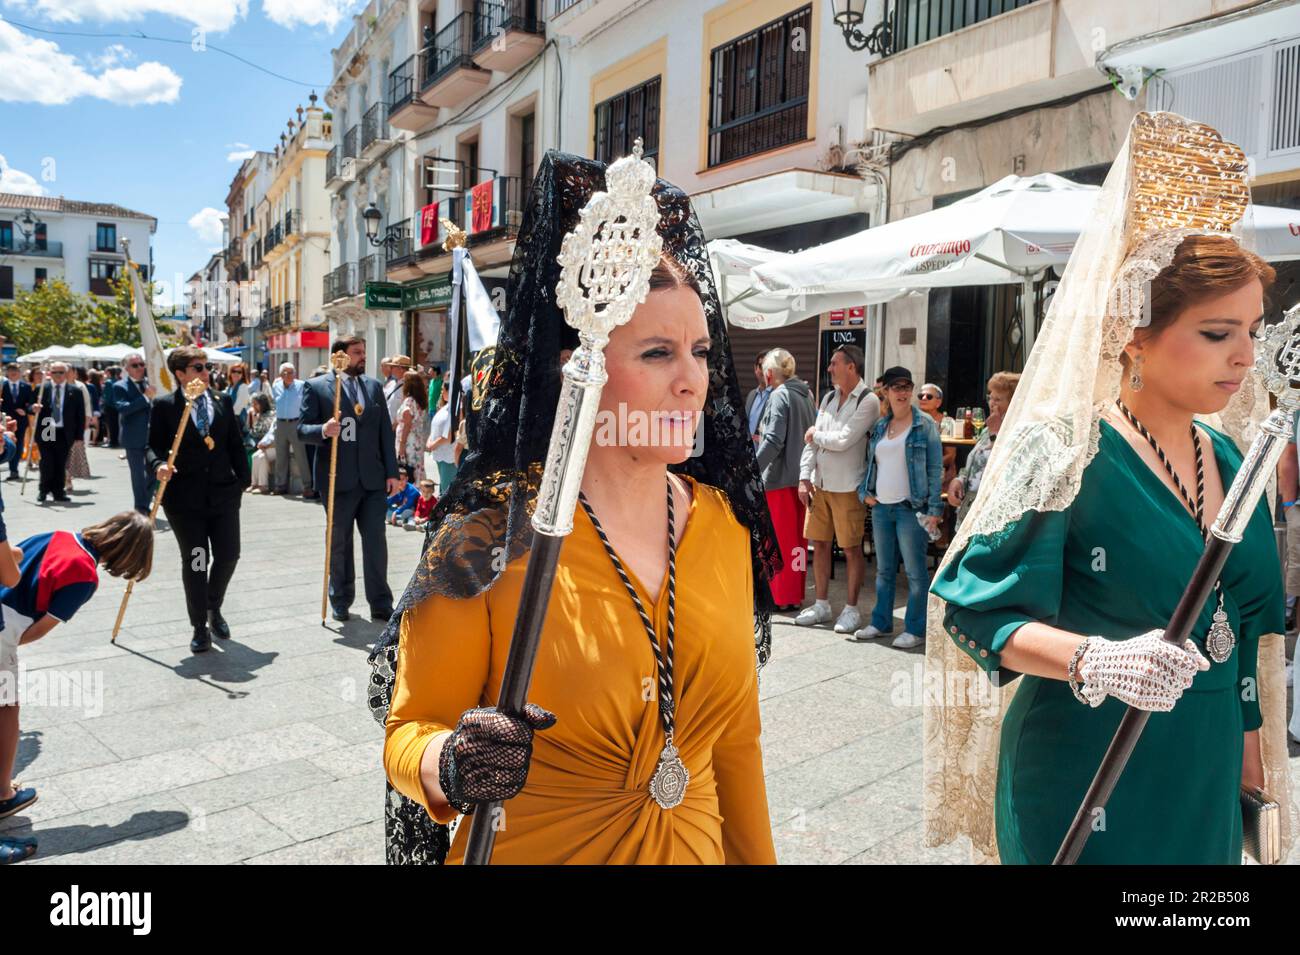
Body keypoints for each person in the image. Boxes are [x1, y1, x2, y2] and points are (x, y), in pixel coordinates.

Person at [374, 149, 781, 865]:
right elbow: (409, 729)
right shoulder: (484, 541)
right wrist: (454, 760)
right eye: (658, 352)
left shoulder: (722, 523)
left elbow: (736, 746)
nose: (693, 381)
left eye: (701, 350)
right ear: (579, 368)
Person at [926, 111, 1294, 865]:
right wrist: (1095, 658)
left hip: (1207, 771)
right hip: (1086, 766)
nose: (1245, 357)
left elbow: (1245, 631)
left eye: (1253, 331)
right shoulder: (1064, 451)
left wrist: (1256, 775)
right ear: (1135, 332)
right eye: (1219, 333)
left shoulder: (1235, 454)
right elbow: (973, 606)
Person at [0, 510, 153, 863]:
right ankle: (1, 792)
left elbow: (11, 558)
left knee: (8, 709)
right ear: (128, 555)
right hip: (5, 628)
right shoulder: (84, 575)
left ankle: (3, 789)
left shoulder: (57, 534)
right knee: (6, 708)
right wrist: (9, 647)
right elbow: (40, 629)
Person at [147, 348, 250, 654]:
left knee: (229, 555)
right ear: (180, 374)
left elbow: (234, 442)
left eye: (207, 367)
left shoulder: (222, 400)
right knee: (196, 561)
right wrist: (158, 466)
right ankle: (199, 627)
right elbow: (152, 447)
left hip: (223, 494)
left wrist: (242, 482)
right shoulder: (165, 406)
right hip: (184, 500)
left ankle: (212, 606)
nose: (206, 372)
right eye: (198, 367)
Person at [299, 336, 400, 623]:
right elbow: (302, 429)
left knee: (376, 543)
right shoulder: (317, 387)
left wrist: (392, 472)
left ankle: (380, 602)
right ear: (339, 356)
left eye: (363, 352)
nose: (362, 357)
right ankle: (340, 599)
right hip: (336, 480)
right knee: (339, 543)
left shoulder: (373, 387)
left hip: (372, 480)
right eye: (357, 352)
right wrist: (322, 429)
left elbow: (384, 433)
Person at [853, 366, 942, 649]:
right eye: (896, 387)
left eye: (907, 387)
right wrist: (864, 492)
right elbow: (872, 464)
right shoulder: (881, 426)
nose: (902, 393)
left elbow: (934, 468)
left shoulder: (924, 424)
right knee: (884, 570)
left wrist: (935, 510)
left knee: (916, 573)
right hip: (881, 508)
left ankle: (915, 629)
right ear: (886, 392)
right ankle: (881, 622)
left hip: (910, 509)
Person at [794, 344, 879, 633]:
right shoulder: (829, 397)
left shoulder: (868, 401)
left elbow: (844, 440)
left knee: (851, 548)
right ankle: (822, 604)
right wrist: (805, 476)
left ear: (851, 367)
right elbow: (812, 443)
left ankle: (852, 609)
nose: (829, 368)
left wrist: (816, 434)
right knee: (819, 545)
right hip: (821, 485)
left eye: (834, 363)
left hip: (848, 487)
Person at [754, 348, 815, 610]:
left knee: (777, 542)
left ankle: (778, 596)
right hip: (800, 479)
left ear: (769, 374)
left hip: (778, 480)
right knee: (797, 545)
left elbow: (773, 439)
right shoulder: (806, 395)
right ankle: (793, 593)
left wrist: (754, 468)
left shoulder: (779, 396)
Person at [947, 372, 1021, 533]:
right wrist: (959, 480)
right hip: (970, 509)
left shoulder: (1019, 431)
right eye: (990, 398)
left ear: (1013, 402)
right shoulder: (987, 430)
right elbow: (975, 463)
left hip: (993, 515)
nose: (992, 404)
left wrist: (996, 433)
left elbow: (1009, 466)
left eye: (998, 399)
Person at [31, 363, 84, 504]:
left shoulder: (75, 391)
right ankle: (43, 490)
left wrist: (79, 436)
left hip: (64, 432)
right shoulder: (42, 389)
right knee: (47, 462)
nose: (58, 375)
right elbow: (29, 405)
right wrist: (33, 407)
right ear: (50, 374)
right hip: (47, 428)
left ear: (66, 374)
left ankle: (58, 492)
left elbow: (80, 414)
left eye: (61, 372)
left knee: (60, 463)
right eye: (55, 372)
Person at [110, 353, 156, 515]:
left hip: (154, 437)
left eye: (142, 364)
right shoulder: (119, 386)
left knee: (154, 474)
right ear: (127, 369)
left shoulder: (151, 384)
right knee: (138, 476)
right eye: (135, 365)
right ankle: (141, 507)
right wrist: (145, 398)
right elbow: (124, 408)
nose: (140, 368)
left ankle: (144, 502)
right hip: (134, 437)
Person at [270, 362, 315, 499]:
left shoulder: (301, 385)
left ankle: (307, 487)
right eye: (285, 372)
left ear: (295, 374)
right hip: (281, 423)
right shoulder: (276, 386)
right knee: (281, 456)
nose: (288, 375)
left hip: (296, 422)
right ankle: (280, 485)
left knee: (301, 456)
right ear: (280, 374)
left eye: (290, 372)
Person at [918, 382, 957, 489]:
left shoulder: (946, 422)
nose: (924, 398)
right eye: (921, 396)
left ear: (938, 402)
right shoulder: (911, 420)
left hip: (939, 475)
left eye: (929, 396)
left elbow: (950, 456)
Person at [394, 369, 430, 483]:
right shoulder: (419, 401)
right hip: (417, 440)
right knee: (416, 468)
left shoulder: (409, 401)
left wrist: (402, 445)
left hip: (409, 441)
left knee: (407, 468)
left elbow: (407, 424)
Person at [1, 364, 34, 482]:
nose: (13, 373)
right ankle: (12, 469)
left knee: (19, 444)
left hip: (21, 421)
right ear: (7, 373)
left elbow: (31, 404)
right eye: (11, 370)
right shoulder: (2, 386)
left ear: (20, 373)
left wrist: (25, 411)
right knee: (7, 442)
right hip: (6, 421)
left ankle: (14, 469)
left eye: (15, 370)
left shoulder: (26, 387)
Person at [425, 381, 457, 495]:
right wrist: (429, 441)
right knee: (443, 489)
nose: (441, 392)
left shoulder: (455, 409)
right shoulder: (445, 407)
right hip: (440, 455)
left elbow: (450, 436)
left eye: (443, 390)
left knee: (447, 490)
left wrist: (433, 444)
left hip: (448, 456)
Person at [65, 367, 93, 490]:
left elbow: (87, 405)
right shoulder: (54, 386)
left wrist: (86, 421)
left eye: (69, 372)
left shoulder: (80, 387)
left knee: (72, 453)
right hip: (55, 426)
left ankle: (68, 477)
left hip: (75, 424)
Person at [248, 393, 277, 493]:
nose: (254, 406)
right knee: (254, 456)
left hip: (274, 445)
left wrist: (266, 445)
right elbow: (254, 432)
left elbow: (262, 432)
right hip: (264, 444)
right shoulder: (259, 414)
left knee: (261, 457)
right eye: (253, 404)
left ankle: (263, 485)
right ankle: (254, 483)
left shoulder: (270, 415)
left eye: (256, 404)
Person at [745, 351, 770, 444]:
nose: (765, 370)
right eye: (761, 366)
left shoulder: (778, 396)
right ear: (755, 369)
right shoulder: (751, 395)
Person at [385, 355, 412, 428]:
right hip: (387, 427)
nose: (391, 369)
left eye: (393, 367)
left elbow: (408, 410)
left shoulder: (408, 387)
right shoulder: (391, 384)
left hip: (398, 428)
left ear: (401, 369)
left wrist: (396, 424)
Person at [101, 365, 121, 447]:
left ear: (109, 373)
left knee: (111, 424)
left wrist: (104, 404)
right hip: (116, 406)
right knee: (115, 424)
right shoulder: (117, 381)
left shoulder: (108, 382)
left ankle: (113, 442)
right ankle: (115, 441)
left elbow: (107, 396)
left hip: (109, 406)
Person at [227, 363, 251, 429]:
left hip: (237, 420)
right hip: (230, 419)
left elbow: (237, 408)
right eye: (234, 371)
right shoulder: (230, 387)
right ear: (230, 373)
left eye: (239, 372)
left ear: (242, 375)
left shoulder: (243, 387)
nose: (236, 374)